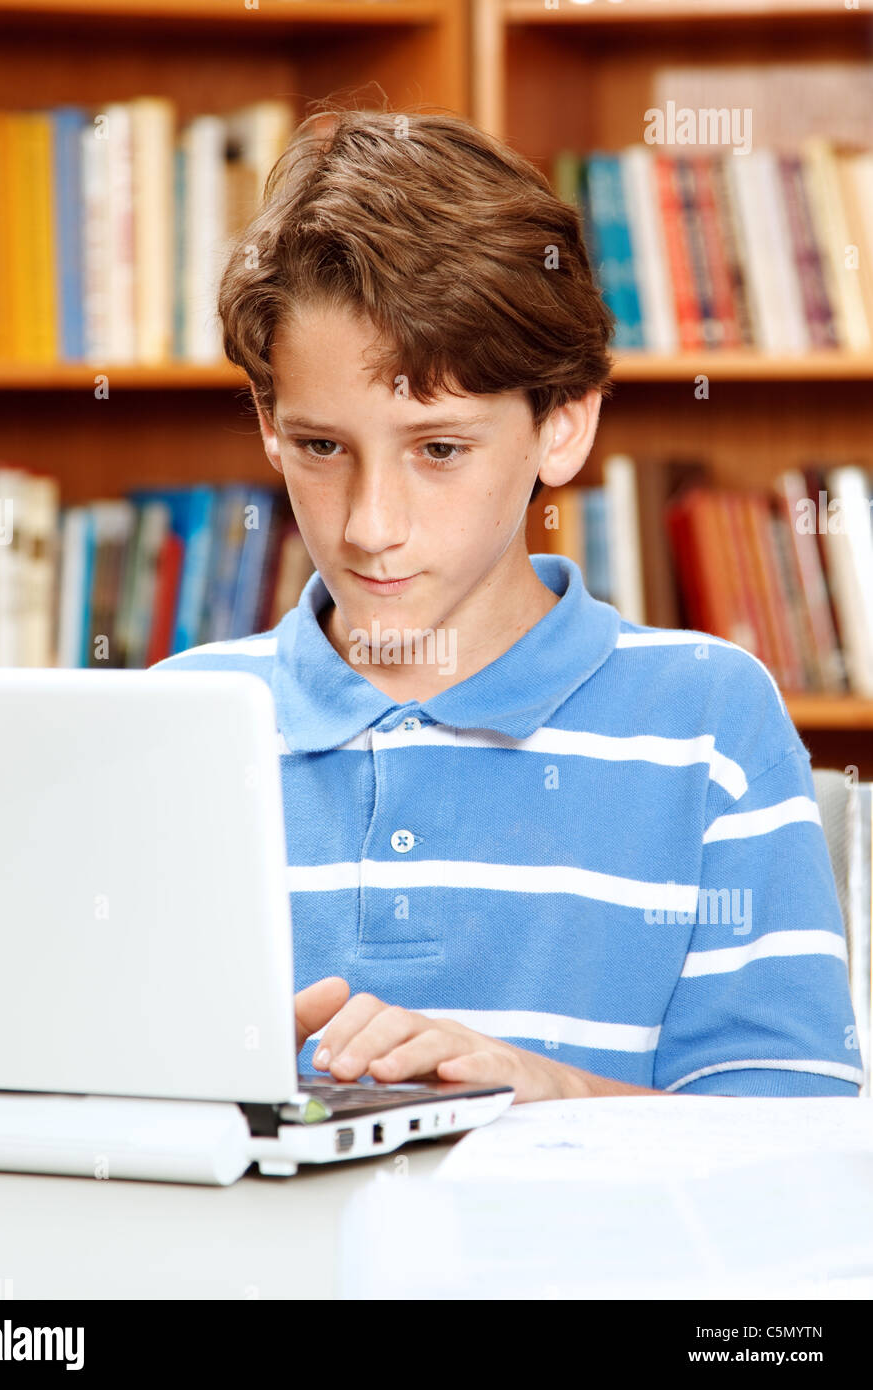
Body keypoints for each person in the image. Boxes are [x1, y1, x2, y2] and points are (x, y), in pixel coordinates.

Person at [154, 105, 861, 1102]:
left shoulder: (706, 721)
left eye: (438, 449)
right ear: (269, 421)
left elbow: (795, 1139)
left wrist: (538, 1090)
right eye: (322, 447)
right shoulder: (175, 721)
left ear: (561, 431)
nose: (370, 524)